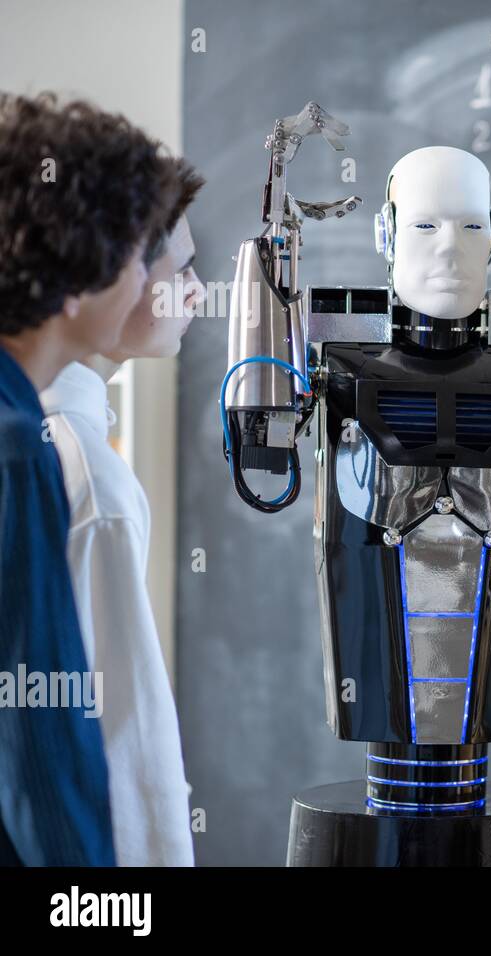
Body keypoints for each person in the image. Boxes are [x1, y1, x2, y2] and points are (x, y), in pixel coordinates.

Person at [0, 91, 180, 865]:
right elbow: (41, 745)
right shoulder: (19, 451)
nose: (148, 281)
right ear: (76, 271)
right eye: (136, 255)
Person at [41, 158, 205, 865]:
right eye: (181, 271)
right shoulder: (92, 484)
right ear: (112, 275)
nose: (200, 294)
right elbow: (133, 755)